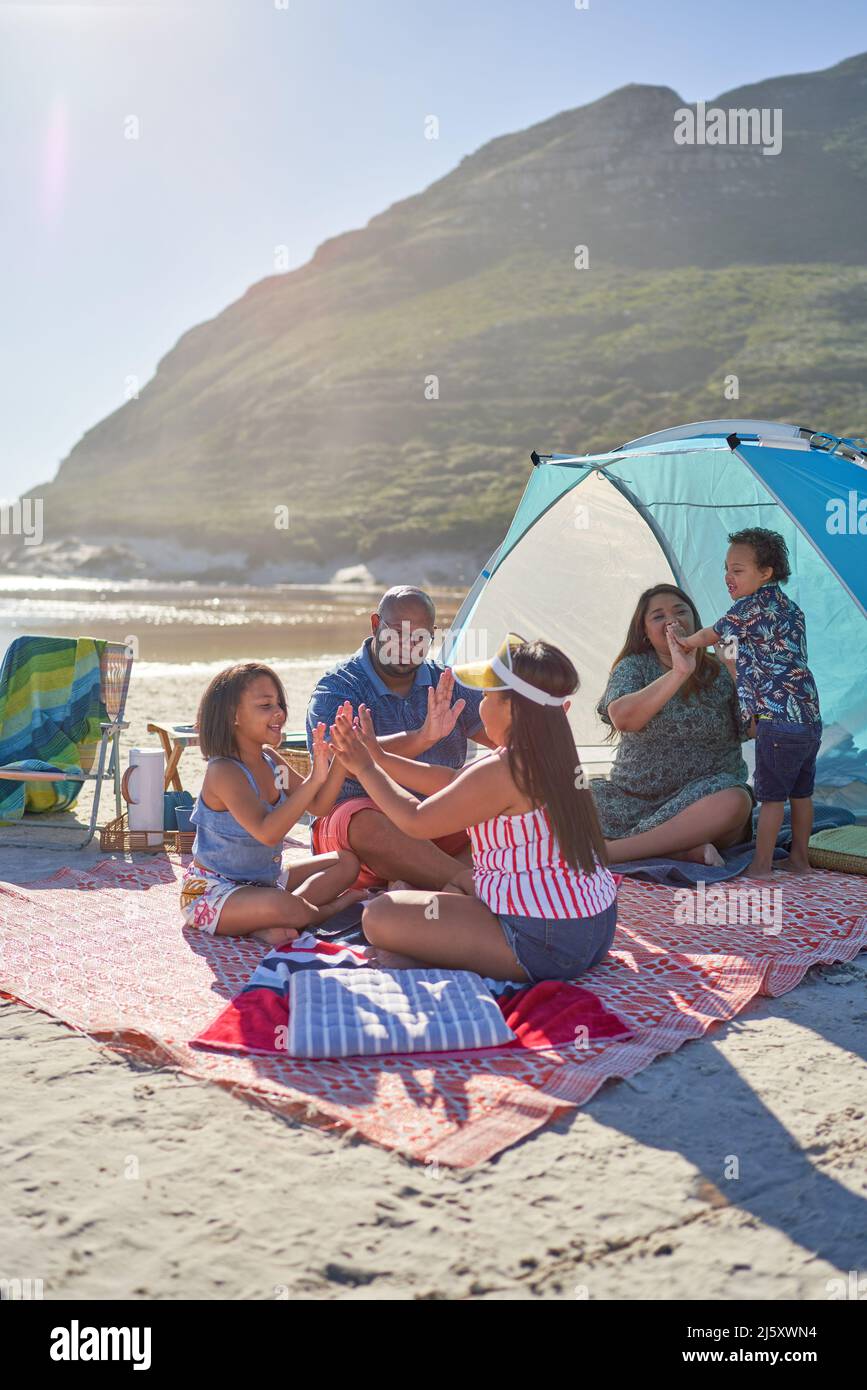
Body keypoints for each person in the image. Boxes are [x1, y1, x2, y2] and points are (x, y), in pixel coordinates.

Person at [327, 634, 618, 984]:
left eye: (487, 697)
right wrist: (379, 755)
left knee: (379, 915)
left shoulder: (503, 771)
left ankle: (431, 961)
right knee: (463, 883)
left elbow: (415, 822)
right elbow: (452, 780)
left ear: (511, 708)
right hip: (597, 924)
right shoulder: (549, 755)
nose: (480, 705)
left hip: (545, 943)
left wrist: (365, 769)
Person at [305, 585, 496, 890]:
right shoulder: (338, 688)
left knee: (503, 803)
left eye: (419, 637)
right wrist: (421, 738)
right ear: (375, 624)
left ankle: (433, 883)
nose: (407, 645)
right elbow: (340, 757)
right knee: (366, 823)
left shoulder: (448, 683)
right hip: (361, 833)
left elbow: (506, 738)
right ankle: (468, 884)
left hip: (436, 821)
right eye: (396, 632)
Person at [668, 528, 821, 876]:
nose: (727, 577)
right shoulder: (791, 609)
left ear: (765, 573)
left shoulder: (749, 606)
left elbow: (713, 634)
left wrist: (685, 641)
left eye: (737, 570)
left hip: (779, 721)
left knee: (770, 799)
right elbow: (764, 661)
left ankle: (762, 865)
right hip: (808, 717)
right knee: (802, 794)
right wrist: (732, 662)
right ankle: (800, 859)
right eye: (726, 569)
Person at [180, 662, 363, 944]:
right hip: (214, 892)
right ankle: (322, 912)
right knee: (281, 904)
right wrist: (315, 778)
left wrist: (340, 756)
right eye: (266, 705)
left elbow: (318, 805)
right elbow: (268, 832)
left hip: (266, 882)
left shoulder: (271, 761)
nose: (279, 712)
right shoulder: (224, 771)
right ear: (233, 715)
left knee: (347, 863)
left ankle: (269, 921)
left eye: (279, 703)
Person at [592, 584, 754, 865]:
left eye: (681, 611)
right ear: (644, 631)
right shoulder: (634, 666)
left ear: (695, 620)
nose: (672, 620)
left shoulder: (721, 669)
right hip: (632, 802)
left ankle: (611, 853)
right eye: (658, 616)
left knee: (736, 801)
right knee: (568, 795)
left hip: (702, 804)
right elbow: (623, 718)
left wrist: (735, 670)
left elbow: (756, 729)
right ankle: (677, 850)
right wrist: (680, 672)